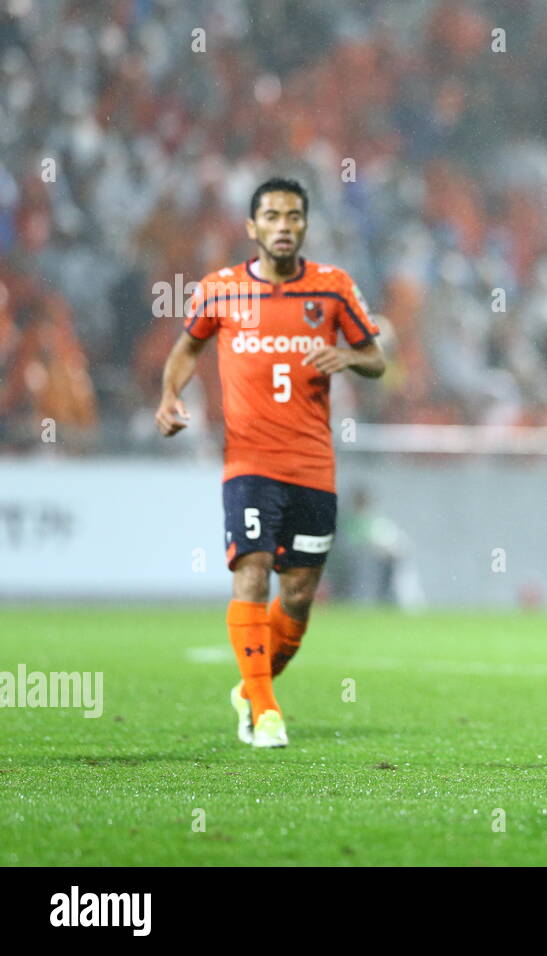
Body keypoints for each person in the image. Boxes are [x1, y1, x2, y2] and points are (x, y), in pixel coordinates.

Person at [155, 177, 385, 748]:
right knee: (251, 570)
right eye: (273, 216)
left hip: (312, 465)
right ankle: (265, 712)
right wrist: (169, 396)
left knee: (299, 595)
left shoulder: (333, 288)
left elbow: (377, 359)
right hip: (249, 461)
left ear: (305, 225)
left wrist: (348, 356)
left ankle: (249, 690)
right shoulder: (220, 289)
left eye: (294, 216)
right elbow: (187, 348)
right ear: (252, 226)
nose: (284, 225)